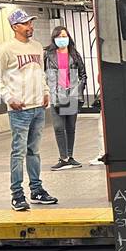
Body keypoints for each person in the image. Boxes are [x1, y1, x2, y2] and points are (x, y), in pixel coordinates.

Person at [0, 9, 56, 211]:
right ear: (15, 27)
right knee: (18, 152)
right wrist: (9, 98)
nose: (30, 27)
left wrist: (45, 92)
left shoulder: (36, 47)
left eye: (31, 23)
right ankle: (17, 194)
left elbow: (40, 73)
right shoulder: (5, 49)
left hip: (38, 107)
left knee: (33, 151)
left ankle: (36, 190)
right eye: (26, 24)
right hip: (19, 109)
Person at [44, 26, 87, 169]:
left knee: (70, 127)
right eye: (59, 36)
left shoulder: (74, 54)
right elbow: (44, 74)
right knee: (58, 127)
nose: (62, 39)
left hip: (71, 94)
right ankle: (63, 158)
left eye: (65, 36)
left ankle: (70, 156)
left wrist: (78, 89)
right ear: (54, 38)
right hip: (57, 94)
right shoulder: (48, 55)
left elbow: (83, 74)